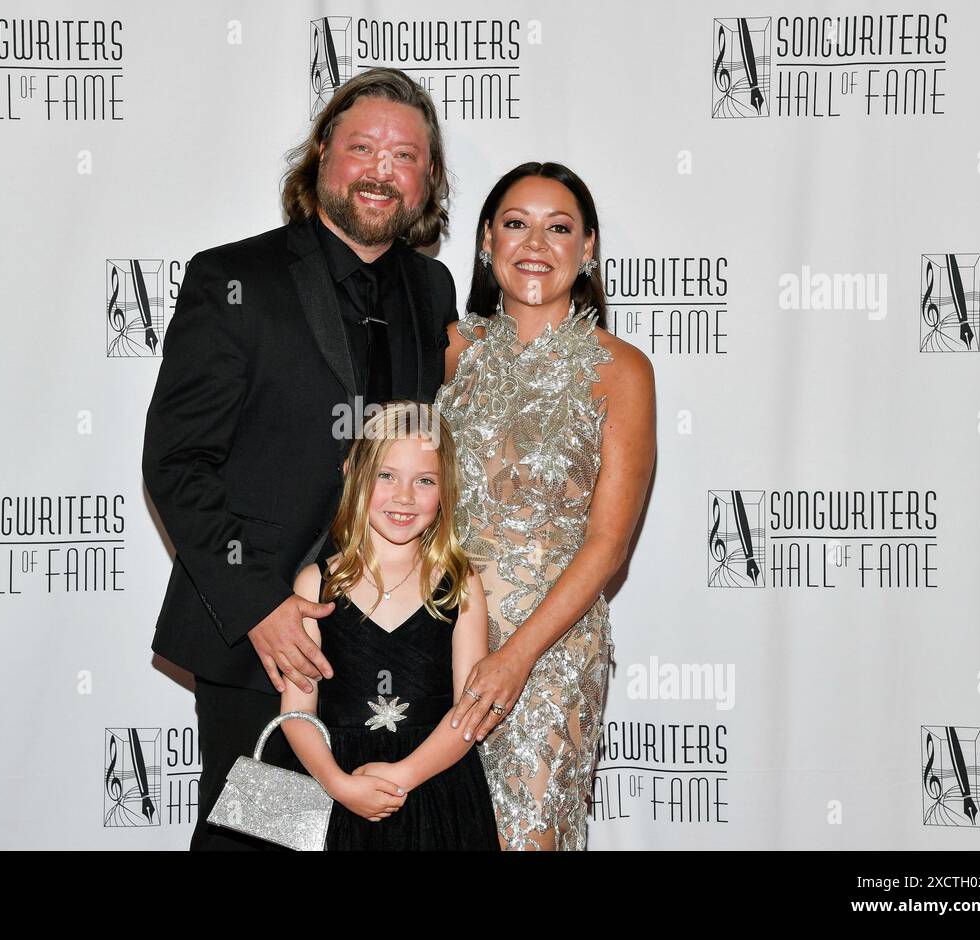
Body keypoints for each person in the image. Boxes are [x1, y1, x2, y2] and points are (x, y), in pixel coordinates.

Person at [141, 68, 458, 850]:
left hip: (394, 648)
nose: (383, 170)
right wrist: (259, 607)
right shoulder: (234, 278)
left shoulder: (432, 289)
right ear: (321, 155)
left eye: (406, 156)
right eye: (363, 148)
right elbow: (177, 461)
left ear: (428, 179)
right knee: (266, 844)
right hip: (268, 645)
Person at [436, 163, 657, 850]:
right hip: (437, 637)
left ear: (587, 247)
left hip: (552, 650)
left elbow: (608, 544)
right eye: (516, 223)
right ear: (484, 240)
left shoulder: (621, 369)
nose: (537, 242)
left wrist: (516, 658)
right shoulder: (446, 352)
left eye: (559, 227)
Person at [281, 401, 499, 850]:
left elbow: (468, 713)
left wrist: (403, 776)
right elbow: (296, 712)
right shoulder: (316, 584)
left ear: (445, 492)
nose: (404, 496)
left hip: (438, 790)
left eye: (424, 481)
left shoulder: (461, 584)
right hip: (335, 792)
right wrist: (339, 784)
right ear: (356, 477)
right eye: (386, 476)